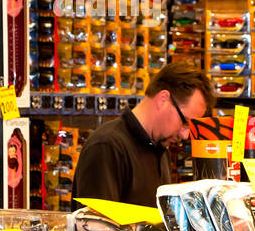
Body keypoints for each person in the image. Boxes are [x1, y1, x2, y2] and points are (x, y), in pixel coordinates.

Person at [71, 62, 215, 208]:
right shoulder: (106, 146)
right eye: (185, 122)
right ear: (163, 100)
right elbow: (92, 226)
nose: (185, 135)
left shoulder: (159, 146)